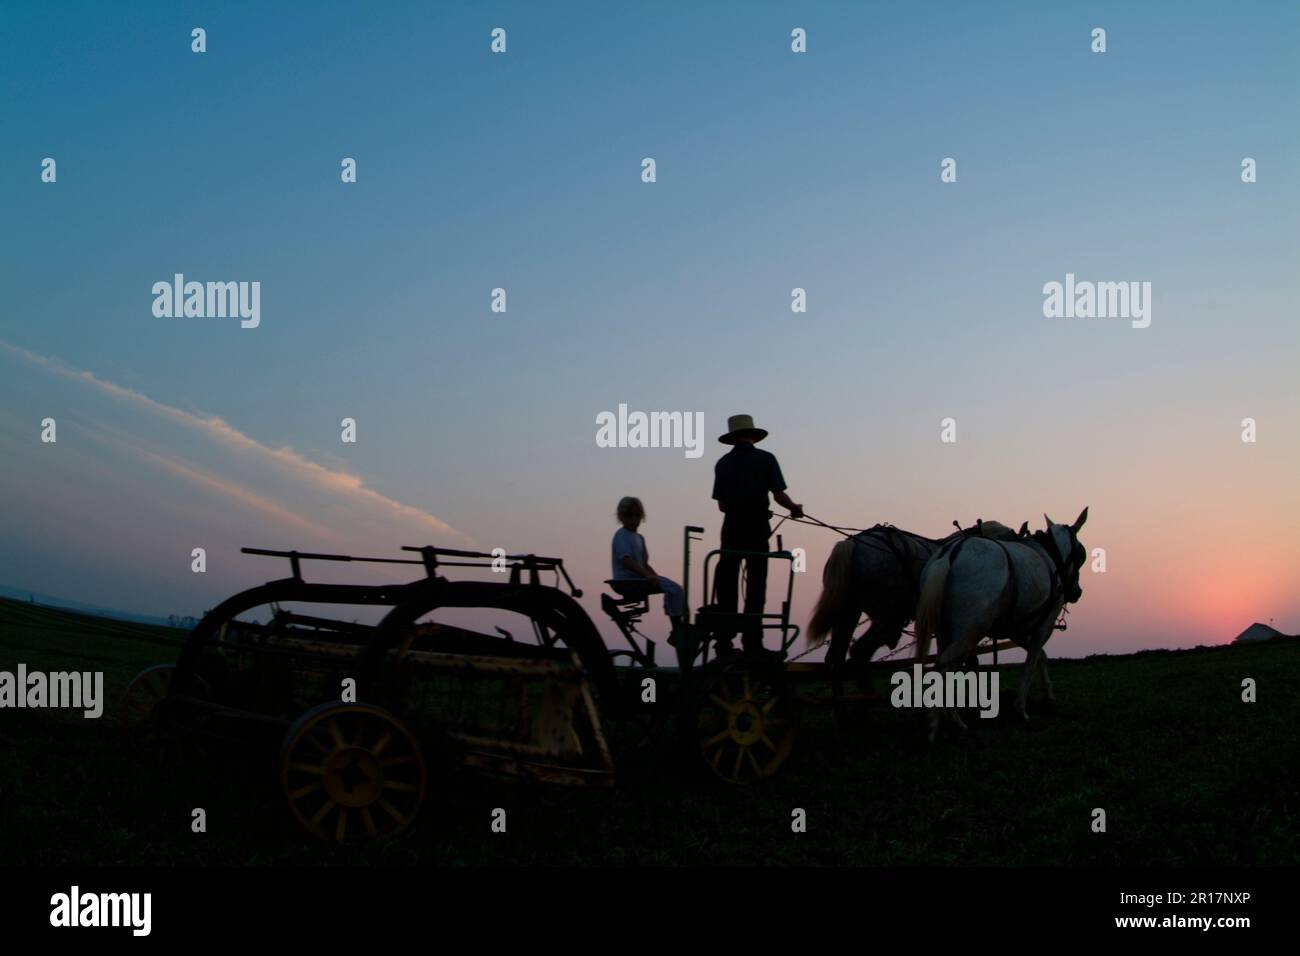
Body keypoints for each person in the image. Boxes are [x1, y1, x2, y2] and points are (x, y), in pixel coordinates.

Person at [710, 414, 805, 656]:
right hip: (756, 526)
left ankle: (724, 642)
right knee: (756, 584)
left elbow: (721, 505)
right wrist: (794, 509)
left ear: (733, 438)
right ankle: (752, 643)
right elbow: (779, 496)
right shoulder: (766, 459)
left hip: (730, 527)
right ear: (753, 435)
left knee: (727, 580)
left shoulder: (722, 463)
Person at [611, 496, 685, 627]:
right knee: (675, 589)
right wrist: (647, 575)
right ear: (621, 517)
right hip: (628, 581)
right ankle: (677, 628)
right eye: (629, 515)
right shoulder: (621, 535)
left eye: (637, 515)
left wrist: (654, 575)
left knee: (674, 589)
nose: (634, 519)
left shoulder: (639, 538)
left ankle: (677, 621)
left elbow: (644, 564)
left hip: (640, 578)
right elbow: (626, 560)